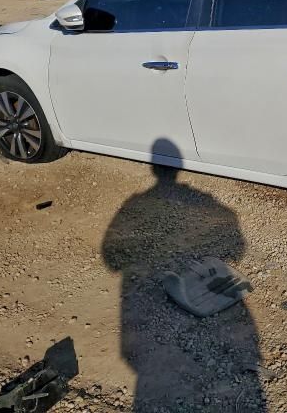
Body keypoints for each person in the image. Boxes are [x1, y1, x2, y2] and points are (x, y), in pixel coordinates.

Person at [102, 138, 265, 411]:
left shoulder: (138, 203)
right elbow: (238, 246)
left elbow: (110, 259)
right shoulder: (207, 202)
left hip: (147, 357)